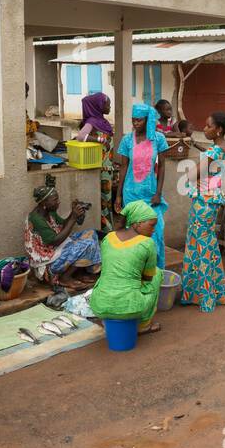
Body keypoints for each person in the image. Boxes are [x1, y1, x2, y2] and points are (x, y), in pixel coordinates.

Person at [180, 112, 225, 312]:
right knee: (206, 245)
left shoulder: (214, 153)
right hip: (210, 201)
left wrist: (189, 171)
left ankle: (205, 297)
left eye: (208, 126)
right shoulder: (221, 148)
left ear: (218, 129)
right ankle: (211, 294)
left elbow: (193, 175)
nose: (204, 128)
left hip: (203, 202)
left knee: (199, 247)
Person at [91, 200, 165, 335]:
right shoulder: (147, 243)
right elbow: (148, 278)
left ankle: (108, 319)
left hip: (99, 305)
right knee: (157, 274)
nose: (153, 230)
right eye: (151, 225)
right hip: (130, 308)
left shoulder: (108, 237)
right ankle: (143, 325)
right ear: (137, 223)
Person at [25, 175, 101, 291]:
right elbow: (55, 241)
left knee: (91, 233)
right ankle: (64, 277)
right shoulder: (36, 219)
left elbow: (62, 225)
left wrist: (73, 213)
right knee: (86, 244)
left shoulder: (49, 212)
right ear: (44, 203)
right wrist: (73, 218)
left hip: (56, 251)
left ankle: (78, 272)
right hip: (48, 263)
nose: (58, 202)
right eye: (55, 200)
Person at [116, 103, 170, 256]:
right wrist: (119, 195)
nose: (135, 123)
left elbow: (162, 167)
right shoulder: (127, 140)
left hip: (151, 193)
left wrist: (158, 193)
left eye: (139, 120)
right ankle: (136, 266)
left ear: (148, 120)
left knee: (156, 229)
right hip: (130, 193)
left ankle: (154, 268)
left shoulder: (158, 139)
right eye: (133, 120)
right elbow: (124, 167)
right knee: (134, 231)